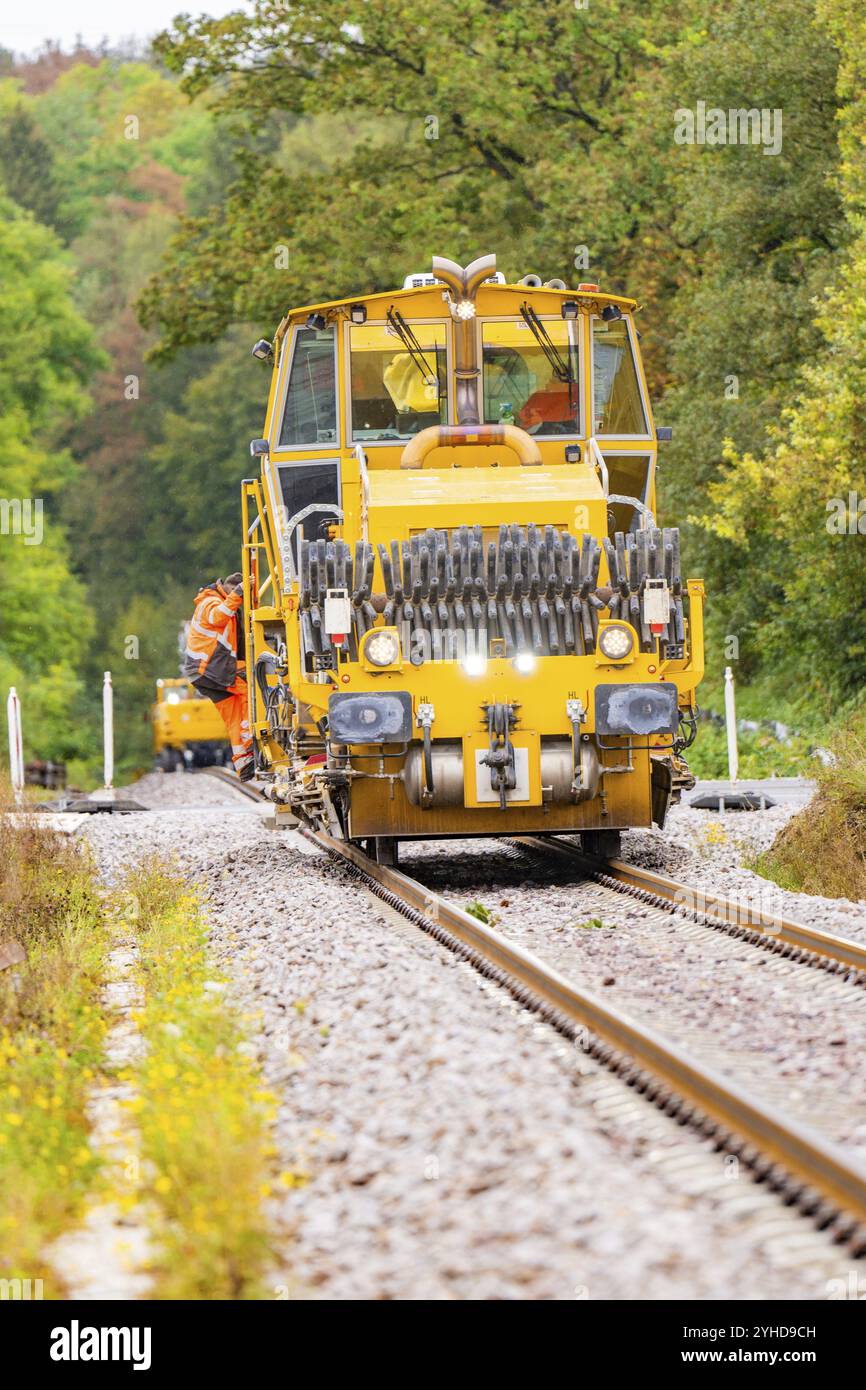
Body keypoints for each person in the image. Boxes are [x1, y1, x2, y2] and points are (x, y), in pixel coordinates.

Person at [182, 572, 254, 780]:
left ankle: (243, 762)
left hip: (205, 672)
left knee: (233, 716)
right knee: (252, 689)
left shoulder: (220, 601)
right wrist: (239, 594)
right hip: (208, 668)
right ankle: (251, 738)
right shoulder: (209, 602)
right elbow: (218, 616)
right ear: (230, 590)